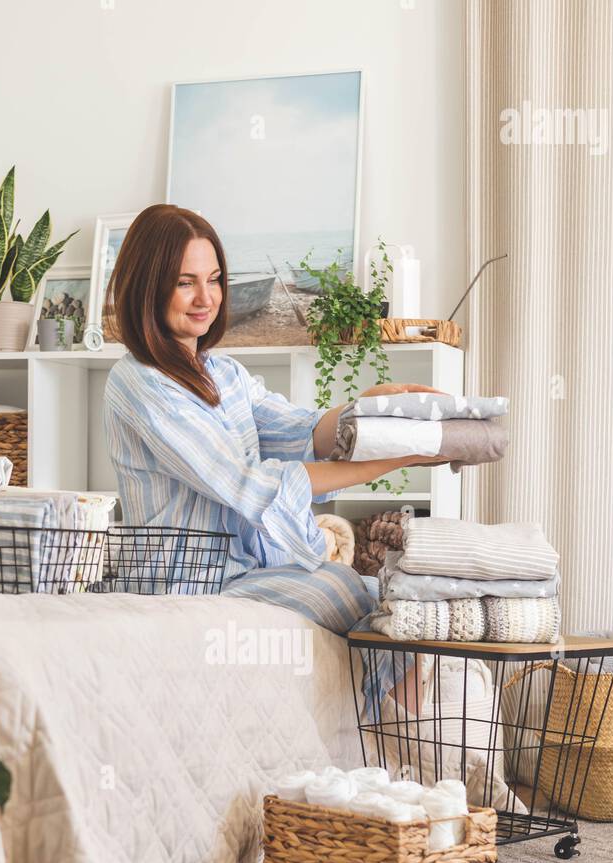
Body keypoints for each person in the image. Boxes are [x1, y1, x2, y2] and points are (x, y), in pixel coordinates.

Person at [103, 203, 444, 714]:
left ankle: (396, 758)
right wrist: (392, 462)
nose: (206, 298)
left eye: (215, 279)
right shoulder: (139, 384)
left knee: (401, 606)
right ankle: (386, 752)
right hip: (183, 581)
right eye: (185, 283)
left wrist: (370, 409)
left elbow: (300, 432)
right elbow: (246, 482)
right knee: (349, 592)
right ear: (147, 288)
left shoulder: (222, 372)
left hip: (241, 571)